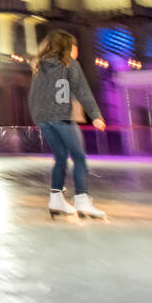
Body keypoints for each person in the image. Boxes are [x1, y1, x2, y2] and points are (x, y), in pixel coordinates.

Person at [29, 30, 108, 220]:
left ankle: (56, 200)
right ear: (67, 47)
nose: (77, 50)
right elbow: (83, 91)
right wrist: (96, 115)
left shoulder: (40, 66)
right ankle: (82, 200)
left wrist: (39, 117)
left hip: (43, 118)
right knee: (79, 158)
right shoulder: (70, 64)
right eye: (75, 46)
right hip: (62, 117)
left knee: (61, 157)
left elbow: (33, 96)